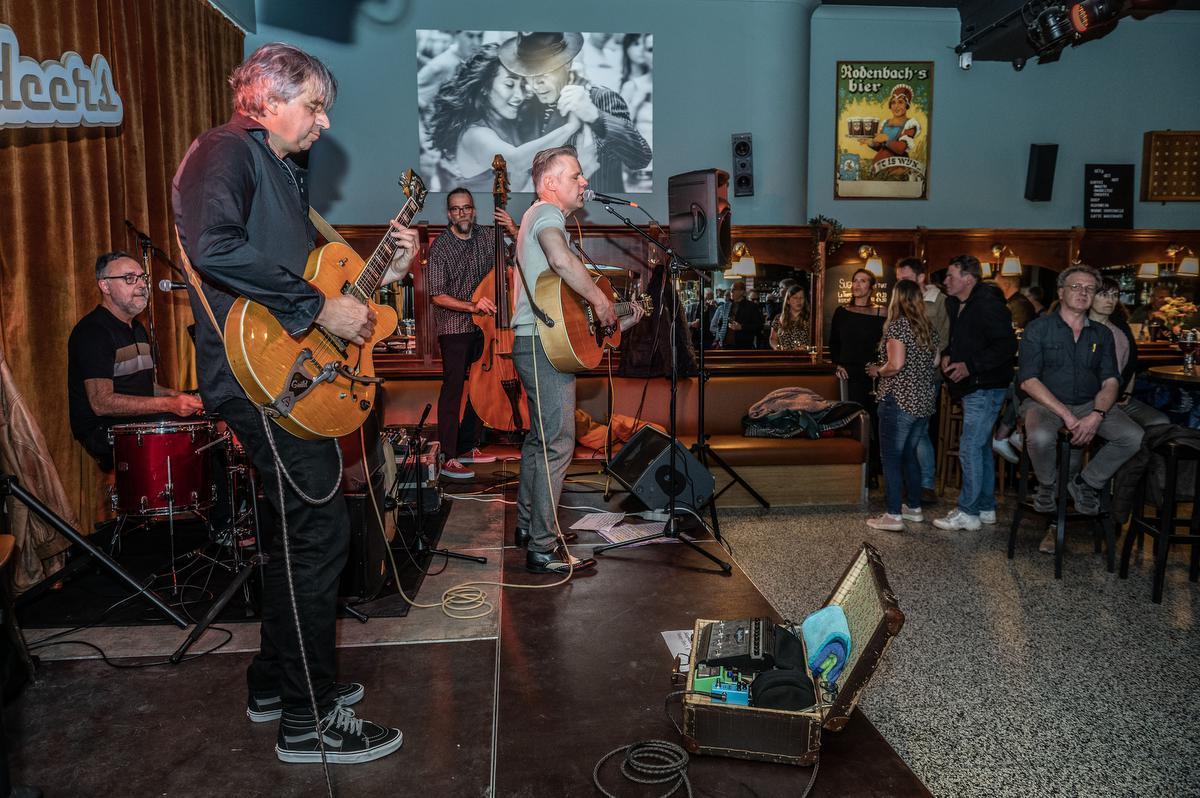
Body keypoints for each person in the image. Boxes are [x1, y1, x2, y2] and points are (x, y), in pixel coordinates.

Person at [172, 43, 419, 764]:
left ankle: (277, 686)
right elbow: (213, 247)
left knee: (295, 539)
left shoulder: (282, 168)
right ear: (266, 100)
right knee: (317, 540)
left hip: (285, 376)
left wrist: (384, 273)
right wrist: (317, 307)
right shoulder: (224, 152)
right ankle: (309, 720)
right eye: (314, 105)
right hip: (261, 382)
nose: (324, 120)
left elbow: (302, 276)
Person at [510, 145, 644, 573]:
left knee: (540, 442)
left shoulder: (533, 215)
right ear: (550, 184)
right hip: (541, 345)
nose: (584, 182)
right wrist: (601, 304)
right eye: (576, 175)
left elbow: (564, 298)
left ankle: (530, 527)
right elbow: (561, 260)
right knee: (560, 444)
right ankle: (544, 549)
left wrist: (619, 317)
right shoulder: (547, 215)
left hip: (534, 343)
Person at [1018, 266, 1145, 539]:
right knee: (1040, 435)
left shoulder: (1102, 334)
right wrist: (1068, 416)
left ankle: (1085, 483)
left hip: (1089, 404)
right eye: (1076, 286)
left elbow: (1111, 381)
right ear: (1061, 292)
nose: (1083, 292)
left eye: (1089, 288)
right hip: (1045, 403)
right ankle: (1047, 485)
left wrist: (1097, 414)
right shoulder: (1039, 328)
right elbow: (1028, 381)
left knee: (1133, 436)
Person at [67, 252, 205, 469]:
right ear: (105, 286)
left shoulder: (137, 328)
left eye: (143, 278)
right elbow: (101, 403)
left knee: (208, 427)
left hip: (135, 421)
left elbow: (139, 385)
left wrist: (175, 394)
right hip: (105, 429)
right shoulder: (93, 332)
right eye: (130, 278)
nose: (141, 285)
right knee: (194, 438)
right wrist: (170, 405)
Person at [426, 187, 516, 479]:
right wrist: (472, 305)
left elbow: (512, 264)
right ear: (449, 213)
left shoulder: (489, 237)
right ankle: (449, 455)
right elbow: (437, 296)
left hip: (486, 328)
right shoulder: (440, 247)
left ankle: (468, 445)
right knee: (453, 390)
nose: (462, 213)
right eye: (455, 209)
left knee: (484, 385)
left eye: (466, 208)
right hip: (455, 328)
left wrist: (513, 231)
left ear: (474, 210)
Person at [499, 32, 652, 194]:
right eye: (530, 74)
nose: (536, 84)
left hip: (595, 214)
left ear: (567, 64)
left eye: (545, 72)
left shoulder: (600, 99)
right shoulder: (526, 108)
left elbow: (640, 158)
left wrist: (595, 116)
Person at [932, 255, 1017, 532]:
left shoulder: (989, 304)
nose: (946, 281)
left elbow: (1005, 347)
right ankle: (986, 507)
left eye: (951, 276)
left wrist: (970, 366)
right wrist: (947, 355)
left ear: (968, 279)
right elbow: (960, 341)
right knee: (979, 446)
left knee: (969, 446)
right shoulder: (957, 303)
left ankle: (968, 512)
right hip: (973, 386)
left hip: (987, 386)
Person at [427, 43, 582, 193]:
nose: (519, 96)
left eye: (522, 86)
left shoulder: (510, 121)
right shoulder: (473, 135)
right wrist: (571, 127)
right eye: (509, 84)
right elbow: (516, 162)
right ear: (484, 88)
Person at [865, 280, 940, 531]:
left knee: (892, 459)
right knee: (909, 455)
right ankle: (914, 508)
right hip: (923, 401)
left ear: (896, 299)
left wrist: (878, 370)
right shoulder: (928, 328)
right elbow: (936, 361)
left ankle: (893, 515)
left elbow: (895, 365)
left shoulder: (898, 326)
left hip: (898, 400)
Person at [895, 257, 948, 504]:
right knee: (907, 432)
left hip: (927, 377)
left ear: (920, 278)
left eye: (905, 279)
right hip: (903, 378)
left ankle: (925, 484)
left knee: (920, 431)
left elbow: (944, 340)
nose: (901, 285)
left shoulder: (940, 302)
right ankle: (912, 484)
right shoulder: (903, 301)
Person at [1089, 277, 1169, 430]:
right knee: (1133, 435)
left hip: (1118, 398)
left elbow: (1131, 364)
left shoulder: (1121, 327)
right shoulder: (1079, 327)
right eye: (1104, 294)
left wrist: (1128, 393)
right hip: (1089, 401)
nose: (1110, 300)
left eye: (1115, 295)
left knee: (1160, 421)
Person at [829, 268, 886, 479]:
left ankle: (875, 467)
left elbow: (889, 345)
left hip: (873, 374)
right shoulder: (842, 311)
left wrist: (881, 367)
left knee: (877, 421)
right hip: (849, 373)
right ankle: (854, 468)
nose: (857, 285)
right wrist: (837, 364)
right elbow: (834, 342)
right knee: (854, 420)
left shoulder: (883, 312)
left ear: (871, 288)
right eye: (855, 281)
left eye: (863, 281)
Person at [869, 83, 920, 174]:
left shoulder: (910, 124)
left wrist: (886, 139)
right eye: (893, 102)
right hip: (879, 167)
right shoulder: (885, 123)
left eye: (900, 102)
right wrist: (870, 143)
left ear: (906, 105)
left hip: (897, 167)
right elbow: (881, 147)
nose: (896, 106)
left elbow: (901, 148)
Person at [710, 280, 765, 349]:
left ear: (742, 291)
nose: (731, 292)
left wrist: (741, 327)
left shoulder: (751, 306)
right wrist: (718, 339)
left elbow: (759, 326)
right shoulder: (726, 306)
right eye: (730, 290)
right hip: (725, 346)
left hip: (743, 346)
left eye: (734, 290)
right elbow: (719, 324)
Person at [769, 284, 811, 351]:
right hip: (784, 357)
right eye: (795, 297)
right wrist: (777, 347)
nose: (799, 301)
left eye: (801, 298)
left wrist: (807, 347)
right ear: (788, 301)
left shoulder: (810, 318)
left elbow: (817, 341)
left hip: (804, 356)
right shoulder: (779, 318)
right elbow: (773, 339)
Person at [687, 287, 717, 352]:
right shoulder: (691, 307)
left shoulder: (714, 308)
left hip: (709, 340)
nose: (708, 301)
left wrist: (714, 307)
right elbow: (683, 323)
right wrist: (691, 324)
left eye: (710, 298)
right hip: (694, 339)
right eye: (706, 298)